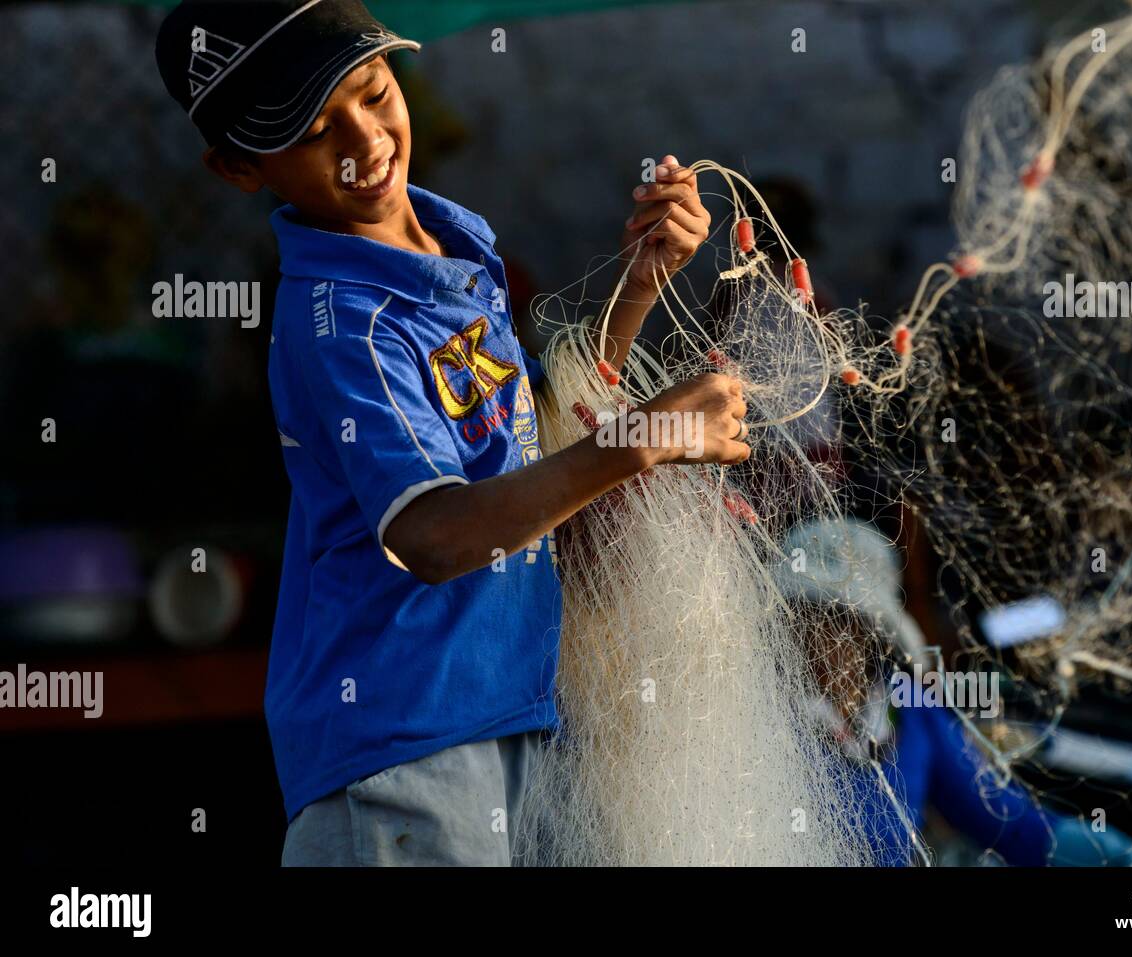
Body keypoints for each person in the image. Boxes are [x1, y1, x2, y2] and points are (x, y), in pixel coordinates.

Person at [155, 0, 747, 866]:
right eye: (315, 130)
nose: (364, 140)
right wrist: (645, 437)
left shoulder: (454, 248)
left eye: (371, 90)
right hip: (400, 756)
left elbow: (522, 448)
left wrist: (640, 284)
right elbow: (432, 533)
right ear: (239, 168)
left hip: (505, 715)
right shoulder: (341, 321)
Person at [778, 517, 1132, 866]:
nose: (819, 634)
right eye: (806, 614)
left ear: (870, 632)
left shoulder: (910, 708)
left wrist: (1111, 855)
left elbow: (1006, 823)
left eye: (838, 619)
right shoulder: (771, 719)